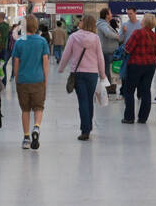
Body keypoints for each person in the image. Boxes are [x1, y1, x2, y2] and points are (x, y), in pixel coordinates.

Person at [58, 14, 103, 140]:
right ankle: (88, 127)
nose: (79, 22)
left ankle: (85, 130)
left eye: (81, 20)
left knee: (82, 101)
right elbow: (100, 57)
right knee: (90, 101)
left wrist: (61, 68)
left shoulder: (73, 37)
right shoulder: (96, 38)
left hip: (78, 73)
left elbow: (66, 54)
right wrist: (103, 74)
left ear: (85, 23)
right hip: (92, 73)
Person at [11, 14, 50, 150]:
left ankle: (26, 137)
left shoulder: (19, 42)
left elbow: (16, 62)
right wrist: (45, 79)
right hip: (38, 79)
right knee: (39, 107)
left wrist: (16, 78)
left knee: (25, 109)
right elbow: (45, 61)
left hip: (23, 80)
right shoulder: (42, 41)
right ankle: (37, 127)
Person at [121, 13, 156, 124]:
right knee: (146, 91)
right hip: (150, 66)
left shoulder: (137, 33)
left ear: (145, 21)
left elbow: (128, 48)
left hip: (136, 65)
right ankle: (143, 118)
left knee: (129, 91)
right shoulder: (154, 36)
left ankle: (129, 118)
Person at [96, 7, 121, 94]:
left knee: (109, 70)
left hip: (109, 51)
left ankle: (110, 87)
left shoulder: (105, 23)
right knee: (108, 70)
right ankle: (108, 88)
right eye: (110, 13)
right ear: (106, 15)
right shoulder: (102, 24)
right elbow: (107, 33)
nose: (111, 15)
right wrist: (117, 36)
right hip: (107, 52)